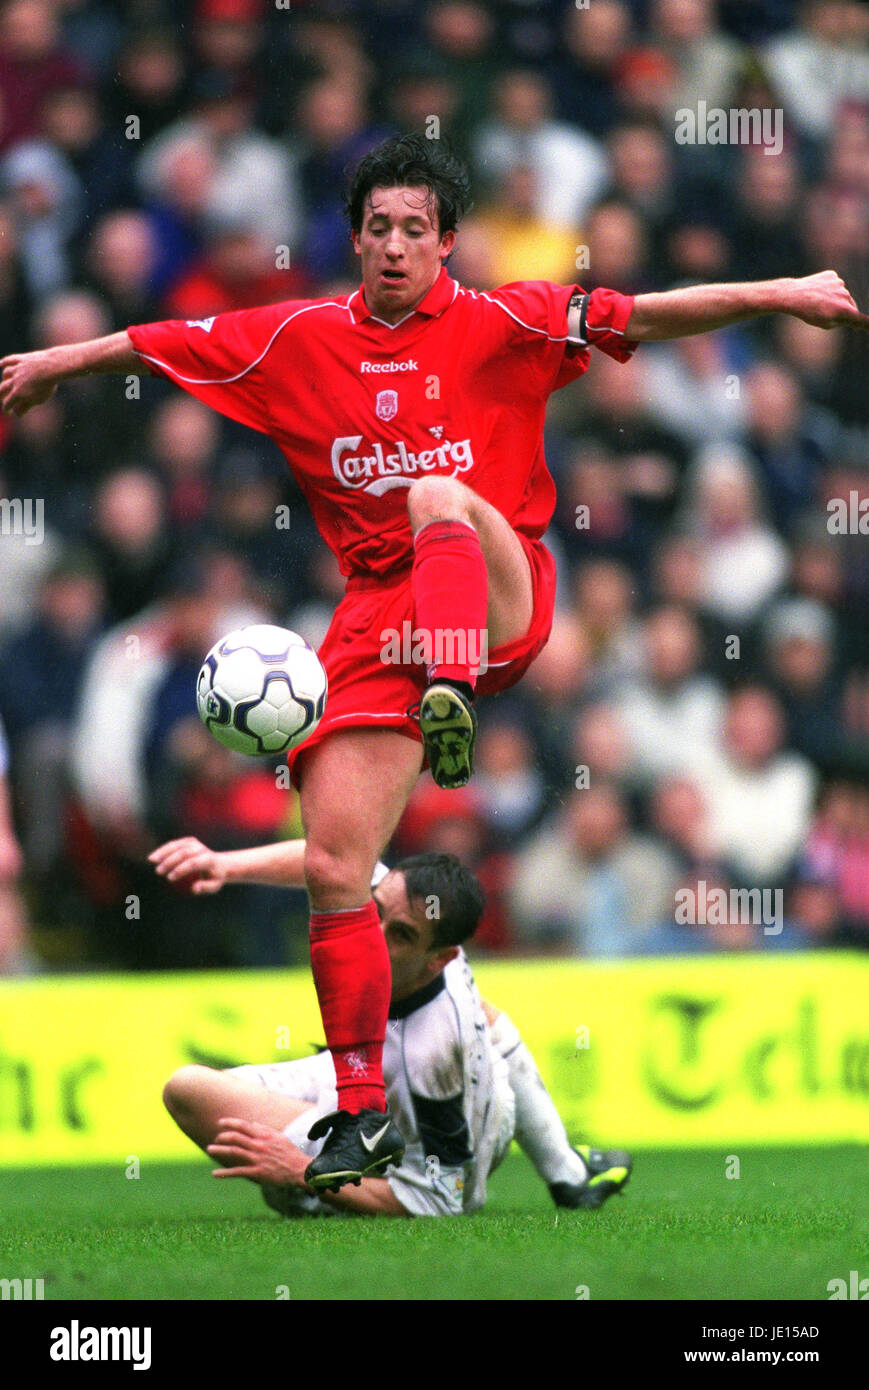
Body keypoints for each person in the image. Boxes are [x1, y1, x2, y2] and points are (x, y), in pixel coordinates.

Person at [2, 133, 866, 1191]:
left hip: (496, 593)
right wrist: (52, 363)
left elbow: (644, 314)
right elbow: (159, 342)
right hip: (378, 625)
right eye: (378, 227)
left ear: (447, 241)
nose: (396, 245)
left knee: (434, 495)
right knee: (334, 868)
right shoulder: (297, 339)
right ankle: (362, 1112)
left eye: (416, 228)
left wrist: (784, 292)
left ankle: (451, 691)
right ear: (356, 238)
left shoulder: (507, 320)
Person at [155, 842, 631, 1216]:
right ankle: (566, 1171)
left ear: (438, 958)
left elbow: (442, 1201)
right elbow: (324, 860)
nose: (371, 934)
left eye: (399, 934)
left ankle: (329, 1177)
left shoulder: (428, 1054)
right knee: (488, 1016)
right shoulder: (425, 918)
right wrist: (225, 866)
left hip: (397, 1157)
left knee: (187, 1090)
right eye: (375, 909)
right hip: (438, 1093)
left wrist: (299, 1171)